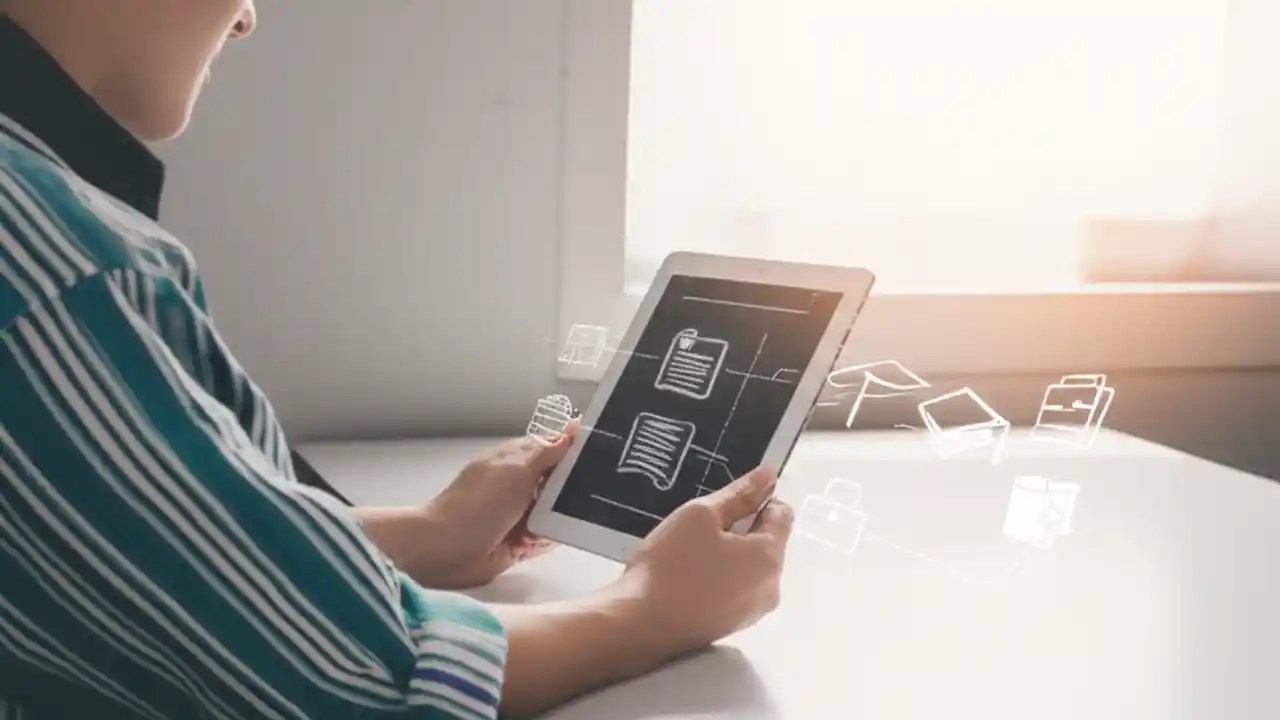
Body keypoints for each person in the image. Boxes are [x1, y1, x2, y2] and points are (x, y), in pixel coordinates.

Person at [0, 2, 795, 719]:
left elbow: (113, 552)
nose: (247, 19)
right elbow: (356, 681)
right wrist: (650, 607)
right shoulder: (62, 272)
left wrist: (421, 533)